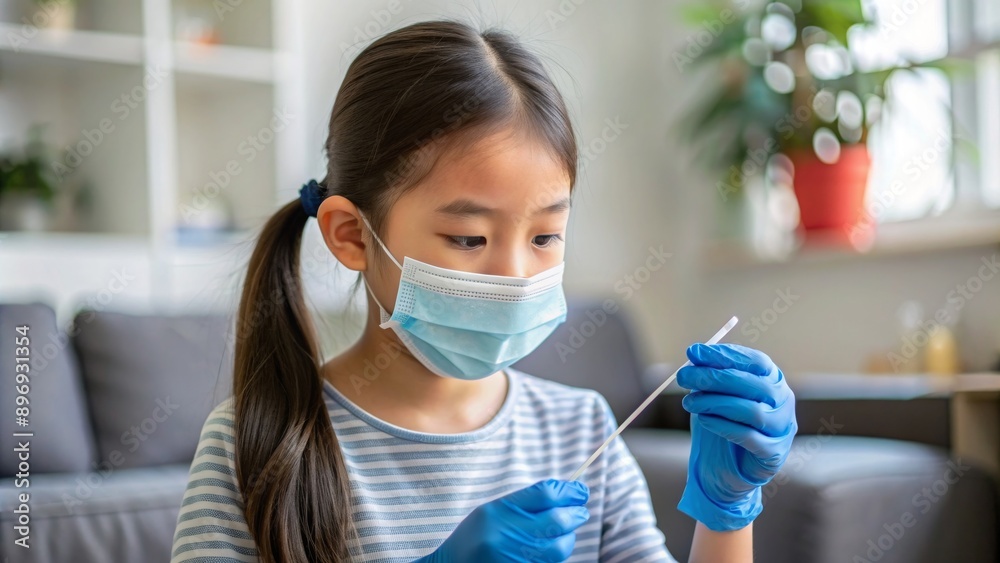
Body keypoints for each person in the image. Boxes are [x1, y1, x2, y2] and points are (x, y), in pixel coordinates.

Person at [169, 18, 796, 563]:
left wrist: (727, 509)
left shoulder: (579, 429)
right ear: (352, 235)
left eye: (546, 235)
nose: (515, 276)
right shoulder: (254, 450)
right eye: (469, 239)